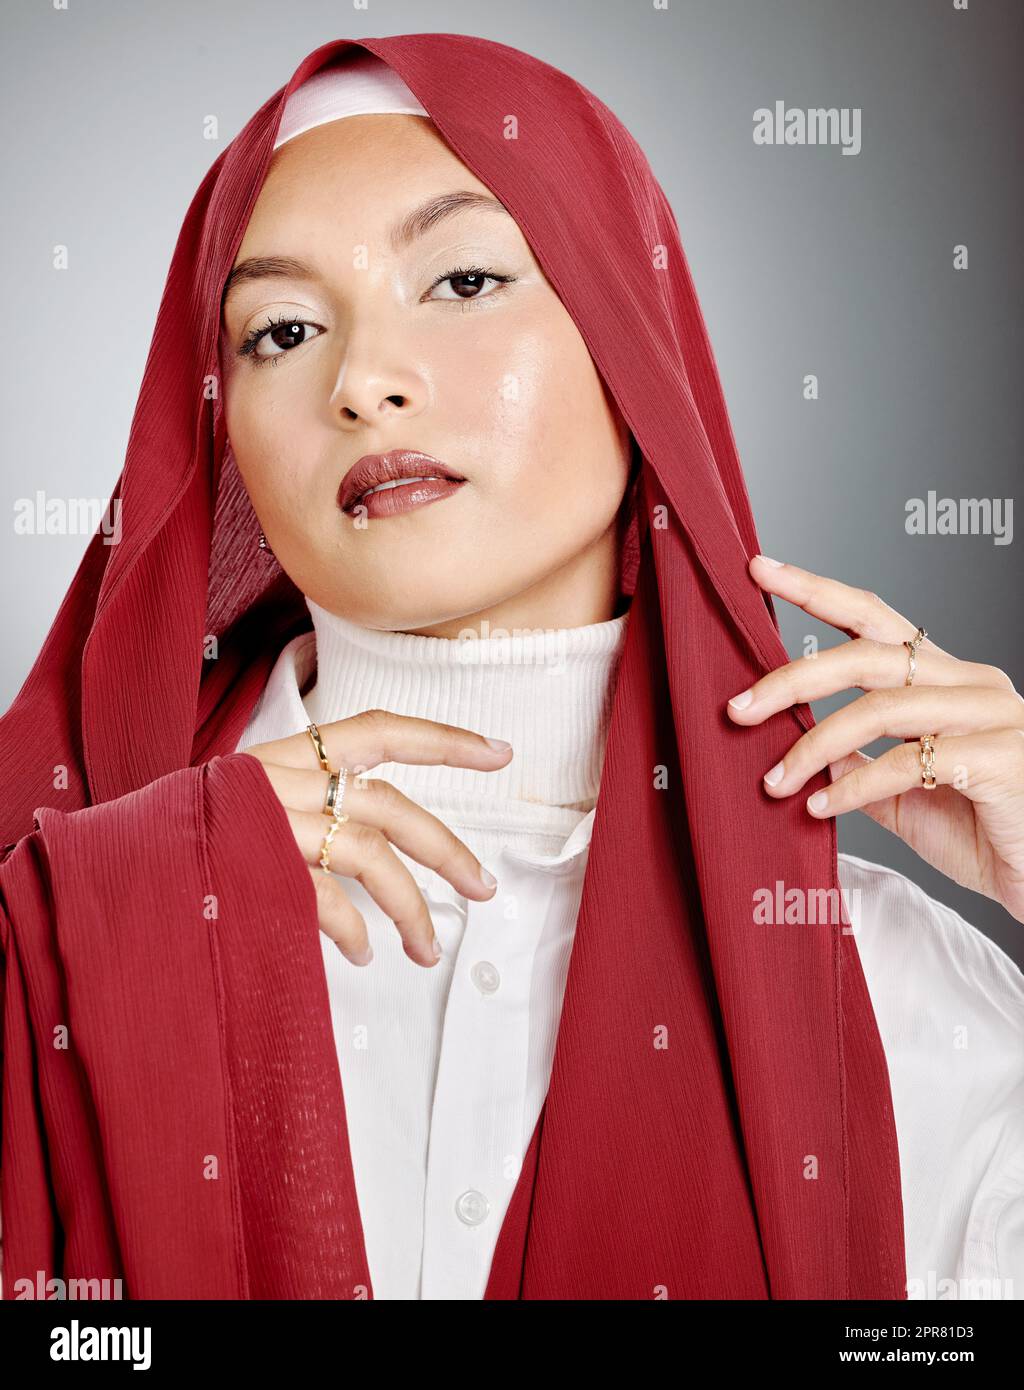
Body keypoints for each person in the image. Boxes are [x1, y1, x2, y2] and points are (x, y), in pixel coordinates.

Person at [1, 37, 1021, 1302]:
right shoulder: (47, 908)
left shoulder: (876, 982)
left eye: (466, 277)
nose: (365, 383)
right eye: (283, 329)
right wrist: (121, 903)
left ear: (630, 343)